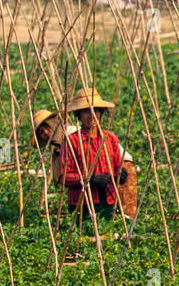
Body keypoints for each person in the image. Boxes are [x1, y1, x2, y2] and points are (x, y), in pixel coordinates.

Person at [61, 88, 128, 220]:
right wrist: (90, 179)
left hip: (109, 202)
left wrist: (121, 174)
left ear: (100, 113)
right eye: (86, 111)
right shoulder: (72, 141)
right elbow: (64, 177)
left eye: (95, 110)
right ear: (78, 115)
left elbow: (116, 167)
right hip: (82, 205)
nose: (91, 115)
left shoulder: (110, 138)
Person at [32, 108, 76, 187]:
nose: (44, 134)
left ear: (51, 123)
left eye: (43, 130)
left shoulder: (73, 134)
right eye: (40, 133)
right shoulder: (57, 149)